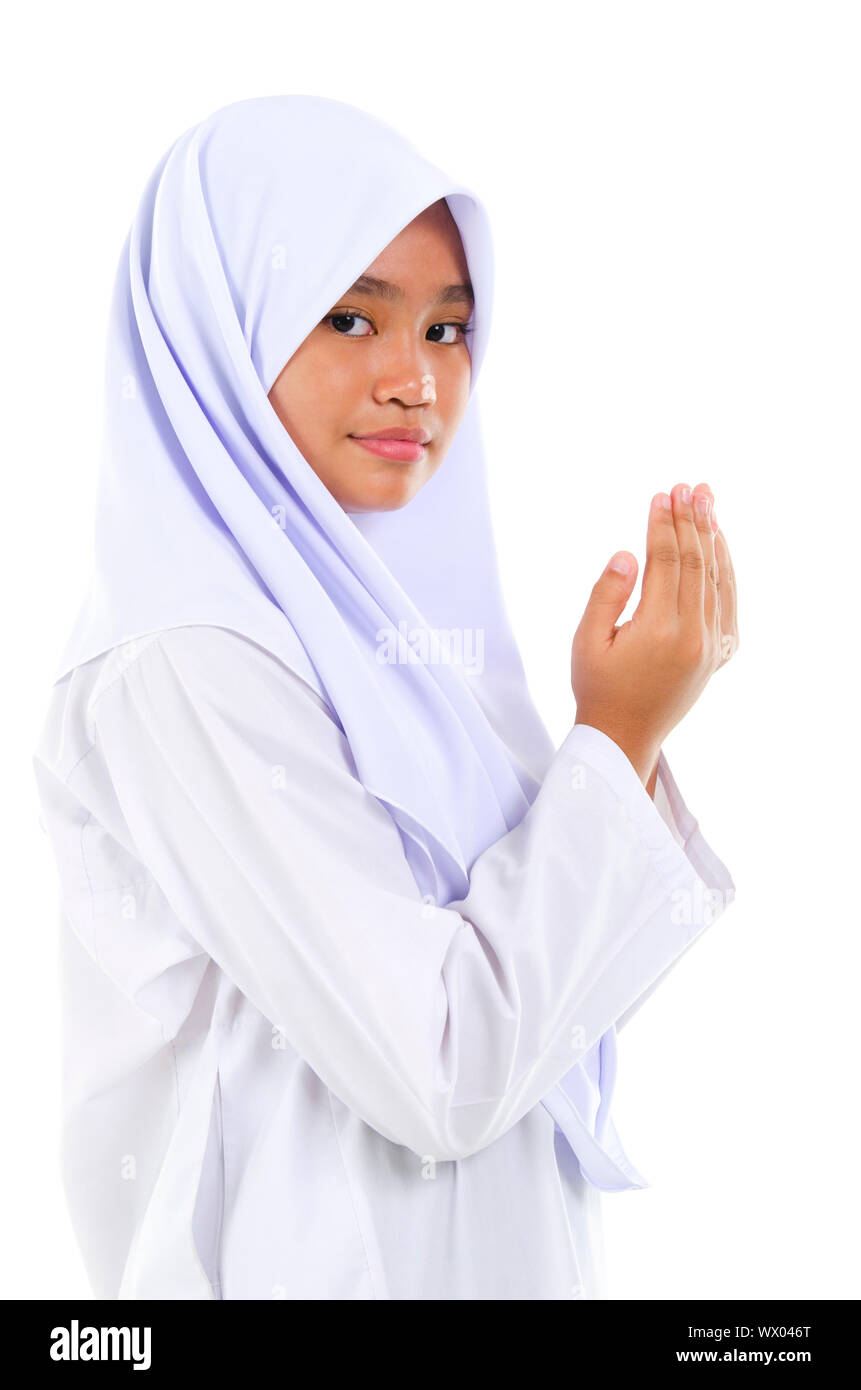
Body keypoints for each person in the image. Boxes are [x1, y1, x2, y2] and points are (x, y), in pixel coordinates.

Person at [32, 94, 738, 1301]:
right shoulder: (192, 663)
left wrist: (621, 742)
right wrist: (616, 740)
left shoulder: (398, 655)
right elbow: (439, 1069)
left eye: (451, 331)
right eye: (352, 316)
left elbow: (537, 1012)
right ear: (221, 327)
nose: (416, 382)